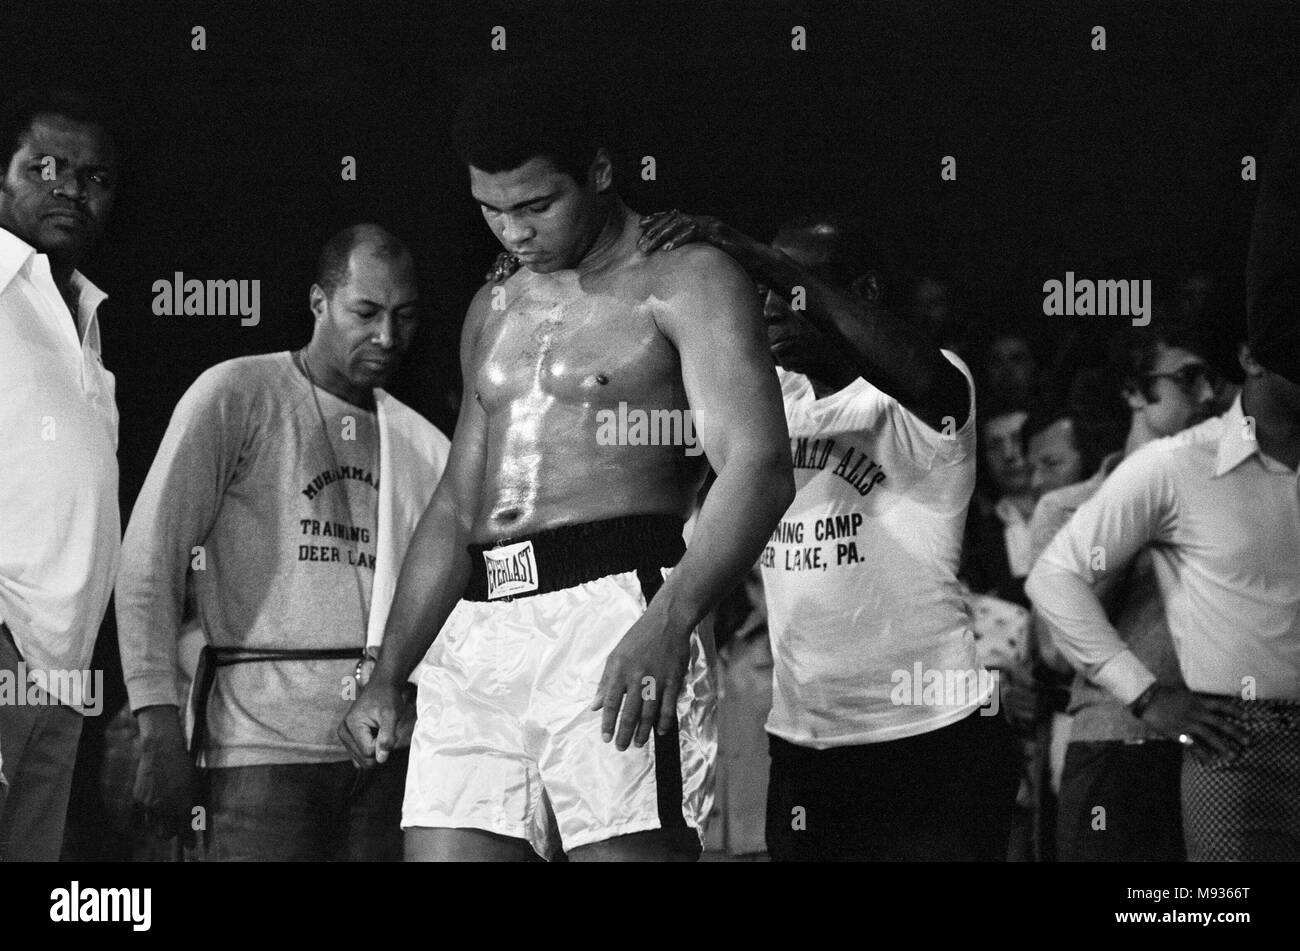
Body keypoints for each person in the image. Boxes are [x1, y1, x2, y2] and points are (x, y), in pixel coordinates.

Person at [338, 70, 794, 863]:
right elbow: (454, 503)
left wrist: (670, 619)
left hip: (618, 607)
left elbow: (758, 466)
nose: (512, 231)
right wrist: (389, 669)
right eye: (491, 209)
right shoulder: (494, 305)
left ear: (602, 172)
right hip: (482, 623)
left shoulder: (687, 281)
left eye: (535, 205)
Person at [638, 209, 1018, 860]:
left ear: (858, 294)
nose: (769, 306)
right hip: (806, 749)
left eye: (785, 287)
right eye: (760, 289)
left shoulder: (919, 392)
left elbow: (930, 380)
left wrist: (763, 259)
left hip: (932, 743)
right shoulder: (765, 408)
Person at [117, 224, 449, 861]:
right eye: (366, 312)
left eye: (404, 317)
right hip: (257, 756)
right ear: (318, 302)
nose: (386, 337)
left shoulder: (424, 445)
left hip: (388, 757)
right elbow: (150, 560)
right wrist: (154, 717)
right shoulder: (238, 394)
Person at [1029, 324, 1220, 861]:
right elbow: (1053, 653)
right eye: (1187, 378)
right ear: (1135, 392)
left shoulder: (1219, 496)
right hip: (1116, 738)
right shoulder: (1067, 508)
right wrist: (1131, 518)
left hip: (1213, 740)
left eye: (1211, 378)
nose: (1207, 395)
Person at [0, 88, 120, 861]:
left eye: (94, 176)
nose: (71, 187)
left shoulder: (83, 315)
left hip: (63, 672)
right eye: (47, 166)